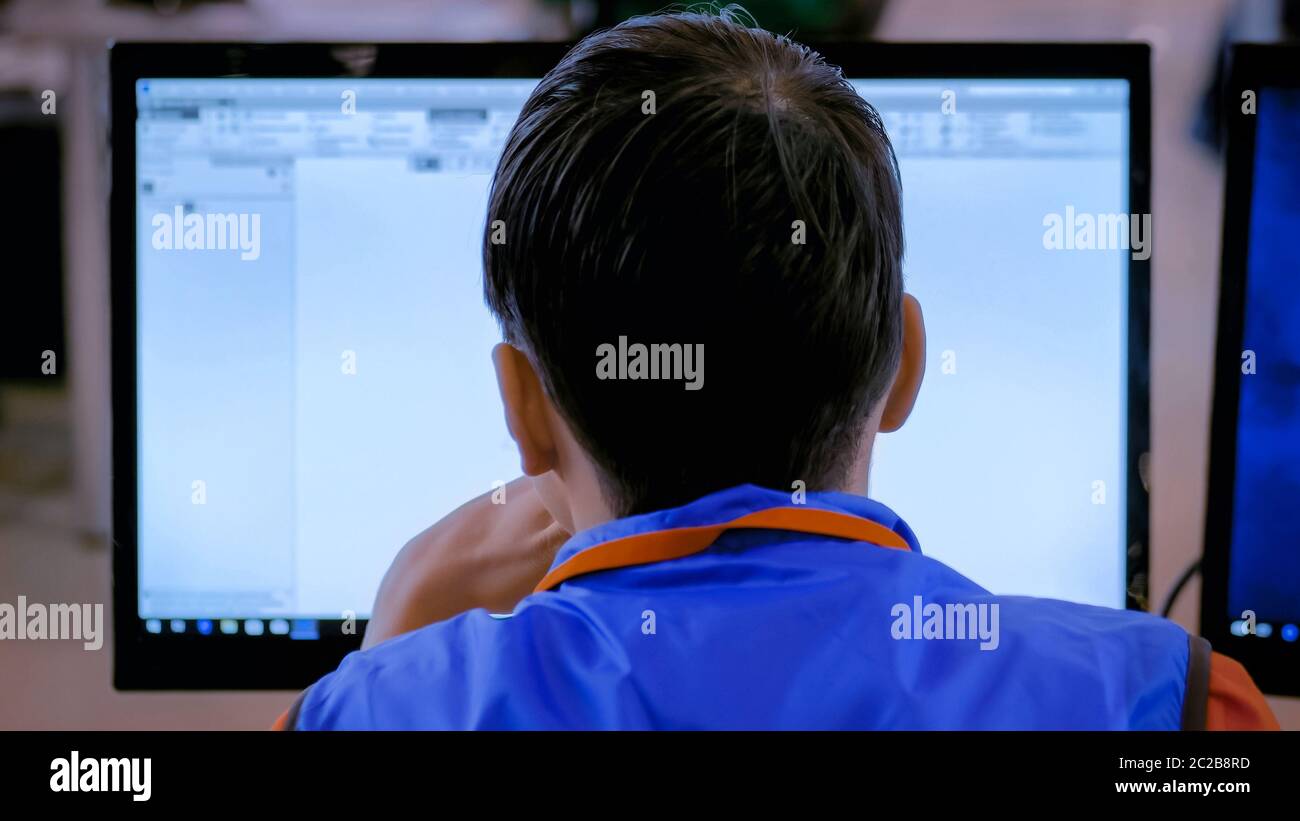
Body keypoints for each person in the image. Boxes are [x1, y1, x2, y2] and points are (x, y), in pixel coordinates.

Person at [276, 9, 1277, 730]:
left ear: (523, 409)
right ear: (905, 367)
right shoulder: (1175, 704)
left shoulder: (372, 710)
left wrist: (390, 661)